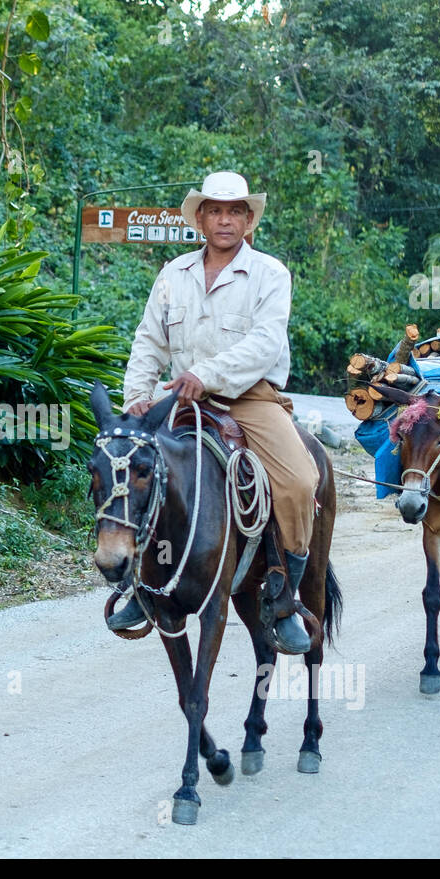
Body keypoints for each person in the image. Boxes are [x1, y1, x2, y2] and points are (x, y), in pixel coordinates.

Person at [111, 171, 320, 654]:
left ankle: (283, 597)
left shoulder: (270, 273)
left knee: (299, 482)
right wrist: (137, 398)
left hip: (249, 398)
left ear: (248, 220)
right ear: (200, 218)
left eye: (235, 211)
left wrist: (207, 376)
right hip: (181, 398)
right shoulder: (173, 274)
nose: (224, 219)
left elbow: (265, 344)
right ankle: (139, 587)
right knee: (126, 465)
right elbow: (148, 341)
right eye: (215, 210)